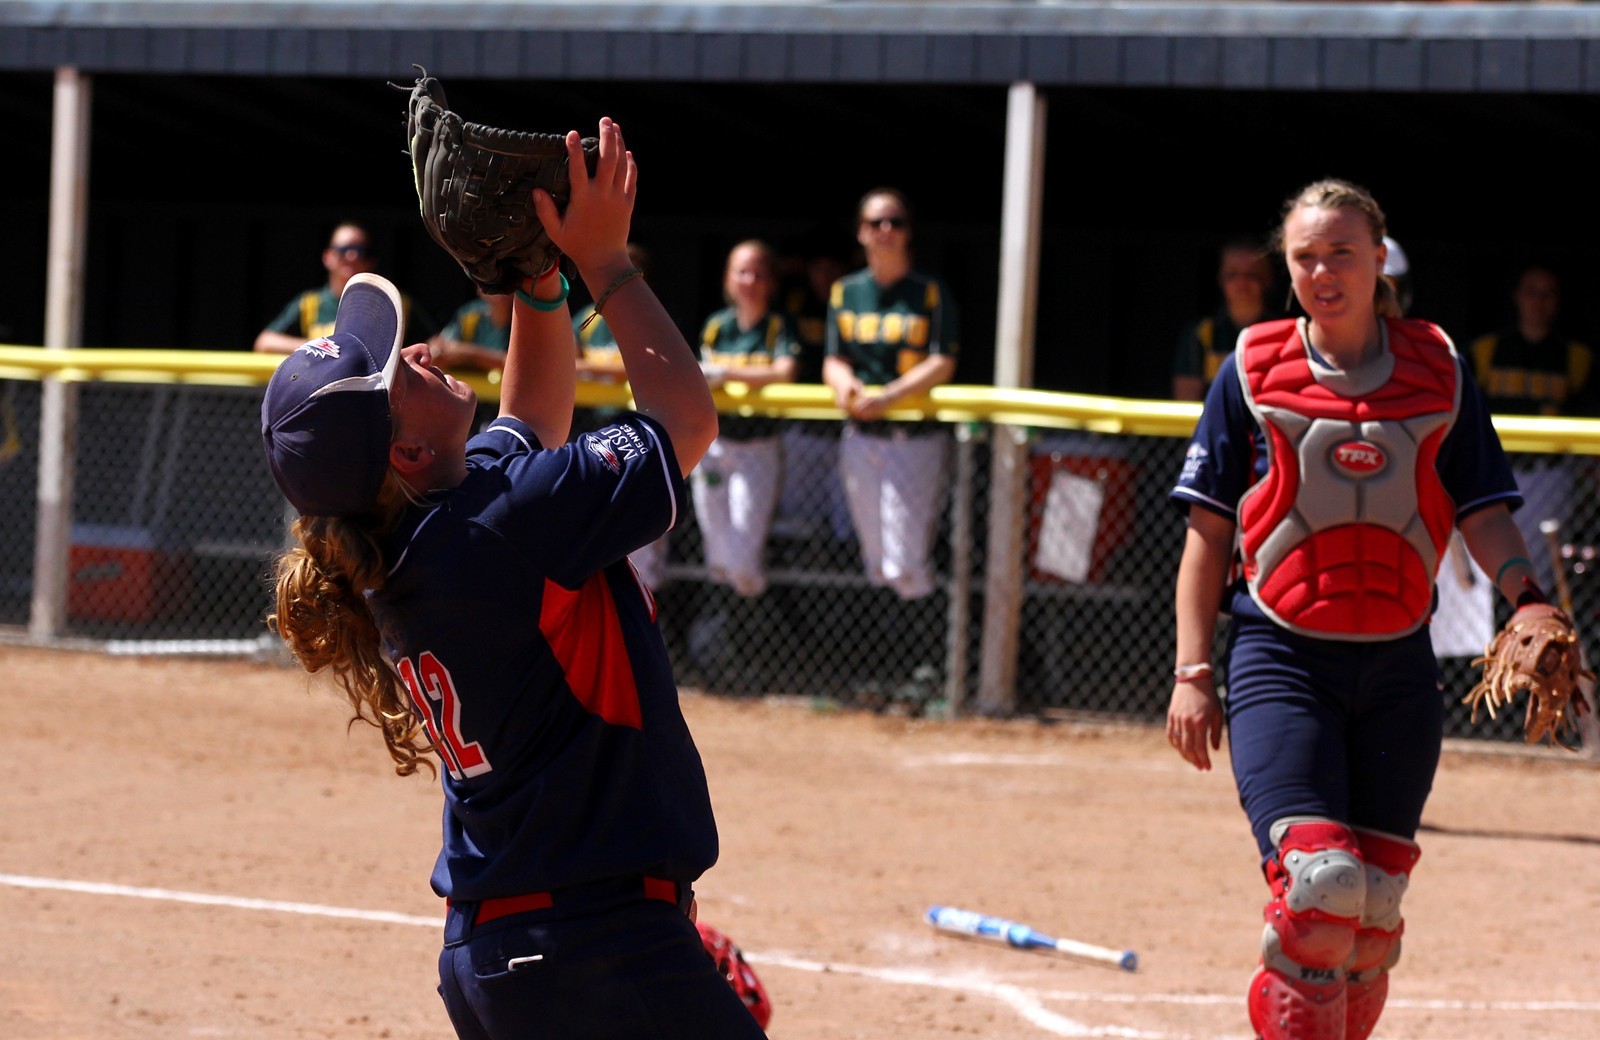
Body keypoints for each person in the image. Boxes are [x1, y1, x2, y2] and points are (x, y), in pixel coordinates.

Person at [261, 119, 765, 1040]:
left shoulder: (441, 524)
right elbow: (686, 421)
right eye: (391, 379)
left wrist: (536, 285)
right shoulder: (498, 524)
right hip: (592, 949)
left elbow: (531, 414)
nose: (416, 353)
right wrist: (607, 265)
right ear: (406, 449)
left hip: (510, 955)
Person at [1166, 179, 1546, 1040]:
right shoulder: (1252, 368)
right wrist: (1192, 671)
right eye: (1304, 256)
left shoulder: (1439, 368)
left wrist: (1527, 596)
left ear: (1381, 258)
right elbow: (1206, 532)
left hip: (1399, 669)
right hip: (1282, 657)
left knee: (1371, 920)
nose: (1322, 270)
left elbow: (1483, 509)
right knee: (1322, 889)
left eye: (1342, 251)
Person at [823, 187, 958, 600]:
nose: (885, 230)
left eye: (895, 222)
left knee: (906, 557)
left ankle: (934, 654)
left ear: (908, 232)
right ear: (860, 233)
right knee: (877, 558)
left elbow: (943, 363)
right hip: (861, 436)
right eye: (875, 223)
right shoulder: (844, 291)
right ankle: (897, 652)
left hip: (913, 437)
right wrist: (846, 386)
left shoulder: (929, 290)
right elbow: (834, 359)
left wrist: (888, 397)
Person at [1468, 264, 1596, 586]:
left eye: (1547, 294)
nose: (1538, 302)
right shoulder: (1486, 350)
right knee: (1486, 578)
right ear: (1517, 297)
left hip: (1547, 477)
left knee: (1541, 574)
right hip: (1492, 476)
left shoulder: (1576, 356)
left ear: (1558, 301)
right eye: (1531, 293)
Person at [693, 240, 799, 597]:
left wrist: (727, 374)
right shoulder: (716, 326)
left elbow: (784, 372)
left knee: (744, 548)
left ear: (771, 282)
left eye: (758, 273)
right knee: (717, 551)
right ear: (727, 279)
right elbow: (700, 373)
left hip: (757, 445)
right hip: (714, 444)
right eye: (741, 271)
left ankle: (753, 609)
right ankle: (728, 621)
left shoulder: (778, 326)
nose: (749, 280)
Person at [573, 242, 669, 590]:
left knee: (642, 557)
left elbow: (648, 365)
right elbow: (566, 365)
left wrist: (594, 370)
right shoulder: (585, 318)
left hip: (640, 444)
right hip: (592, 441)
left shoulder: (651, 318)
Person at [253, 222, 432, 354]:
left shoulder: (395, 303)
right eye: (343, 249)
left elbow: (436, 347)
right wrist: (323, 347)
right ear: (327, 257)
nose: (352, 256)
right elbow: (264, 342)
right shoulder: (310, 304)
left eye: (361, 250)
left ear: (372, 260)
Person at [1171, 237, 1276, 401]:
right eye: (1232, 274)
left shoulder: (1283, 333)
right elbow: (1185, 403)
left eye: (1252, 274)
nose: (1242, 282)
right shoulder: (1200, 333)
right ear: (1220, 280)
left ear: (1267, 279)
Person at [430, 287, 515, 371]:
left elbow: (518, 365)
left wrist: (471, 355)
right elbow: (439, 343)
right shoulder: (471, 314)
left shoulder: (524, 318)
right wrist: (436, 351)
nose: (498, 285)